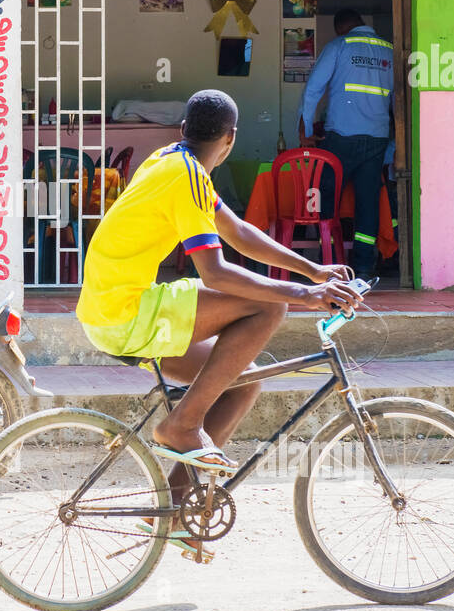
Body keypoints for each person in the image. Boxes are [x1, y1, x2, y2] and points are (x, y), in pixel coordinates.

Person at [77, 90, 361, 552]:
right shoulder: (183, 175)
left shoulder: (174, 161)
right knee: (270, 306)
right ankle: (182, 426)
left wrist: (313, 270)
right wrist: (304, 294)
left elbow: (239, 232)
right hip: (125, 311)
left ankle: (172, 512)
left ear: (184, 129)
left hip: (113, 309)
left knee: (243, 382)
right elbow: (215, 270)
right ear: (230, 140)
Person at [297, 8, 395, 280]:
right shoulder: (389, 50)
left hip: (340, 139)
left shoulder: (339, 46)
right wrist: (394, 145)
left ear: (342, 28)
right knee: (367, 203)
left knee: (327, 199)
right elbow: (399, 102)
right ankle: (363, 267)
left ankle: (329, 263)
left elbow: (313, 90)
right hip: (377, 138)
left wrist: (305, 129)